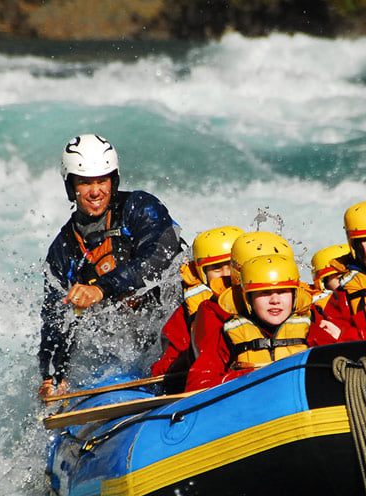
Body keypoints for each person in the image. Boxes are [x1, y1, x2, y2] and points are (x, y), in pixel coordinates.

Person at [39, 133, 184, 399]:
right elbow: (54, 321)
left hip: (177, 323)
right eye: (85, 182)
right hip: (128, 347)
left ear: (113, 181)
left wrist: (102, 289)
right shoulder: (63, 250)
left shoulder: (140, 208)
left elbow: (160, 255)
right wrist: (52, 377)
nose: (95, 191)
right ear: (71, 187)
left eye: (102, 180)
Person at [186, 254, 335, 391]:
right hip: (251, 404)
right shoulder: (229, 334)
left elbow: (339, 366)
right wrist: (245, 377)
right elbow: (198, 384)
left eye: (283, 292)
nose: (275, 300)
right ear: (248, 298)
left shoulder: (308, 329)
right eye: (264, 293)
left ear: (294, 296)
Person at [150, 225, 243, 381]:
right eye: (216, 268)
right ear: (202, 273)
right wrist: (184, 362)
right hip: (210, 377)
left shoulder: (265, 298)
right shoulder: (187, 312)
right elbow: (169, 359)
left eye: (231, 265)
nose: (226, 274)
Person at [310, 243, 350, 309]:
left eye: (355, 276)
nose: (349, 281)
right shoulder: (321, 304)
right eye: (340, 278)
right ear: (324, 283)